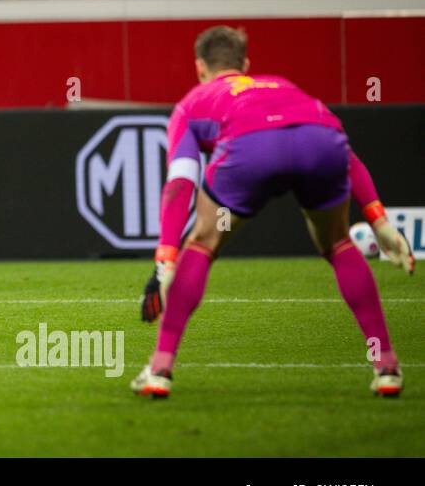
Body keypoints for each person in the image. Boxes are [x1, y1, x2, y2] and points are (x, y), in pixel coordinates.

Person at [129, 26, 411, 399]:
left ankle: (161, 368)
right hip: (321, 148)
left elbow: (181, 183)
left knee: (202, 242)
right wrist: (379, 220)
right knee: (339, 243)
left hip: (250, 152)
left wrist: (166, 258)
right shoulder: (282, 85)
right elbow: (345, 153)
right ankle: (386, 365)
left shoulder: (193, 102)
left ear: (199, 67)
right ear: (245, 65)